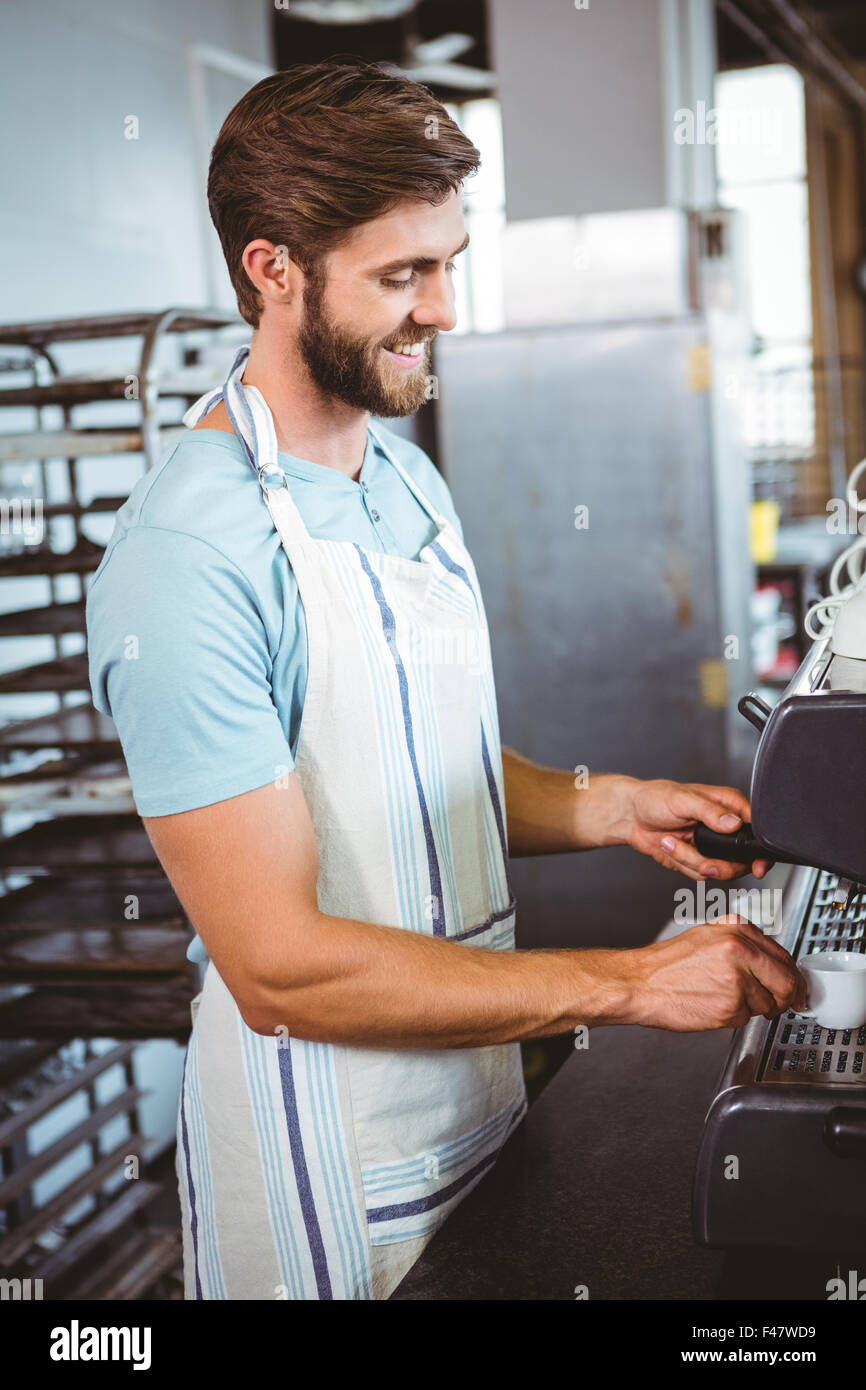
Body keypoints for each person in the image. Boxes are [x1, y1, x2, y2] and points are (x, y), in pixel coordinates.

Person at [86, 58, 805, 1301]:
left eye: (450, 261)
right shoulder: (186, 558)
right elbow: (278, 966)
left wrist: (603, 806)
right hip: (329, 1168)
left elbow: (402, 767)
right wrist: (632, 982)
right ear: (272, 269)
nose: (446, 310)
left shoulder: (402, 479)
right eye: (401, 276)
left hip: (479, 1102)